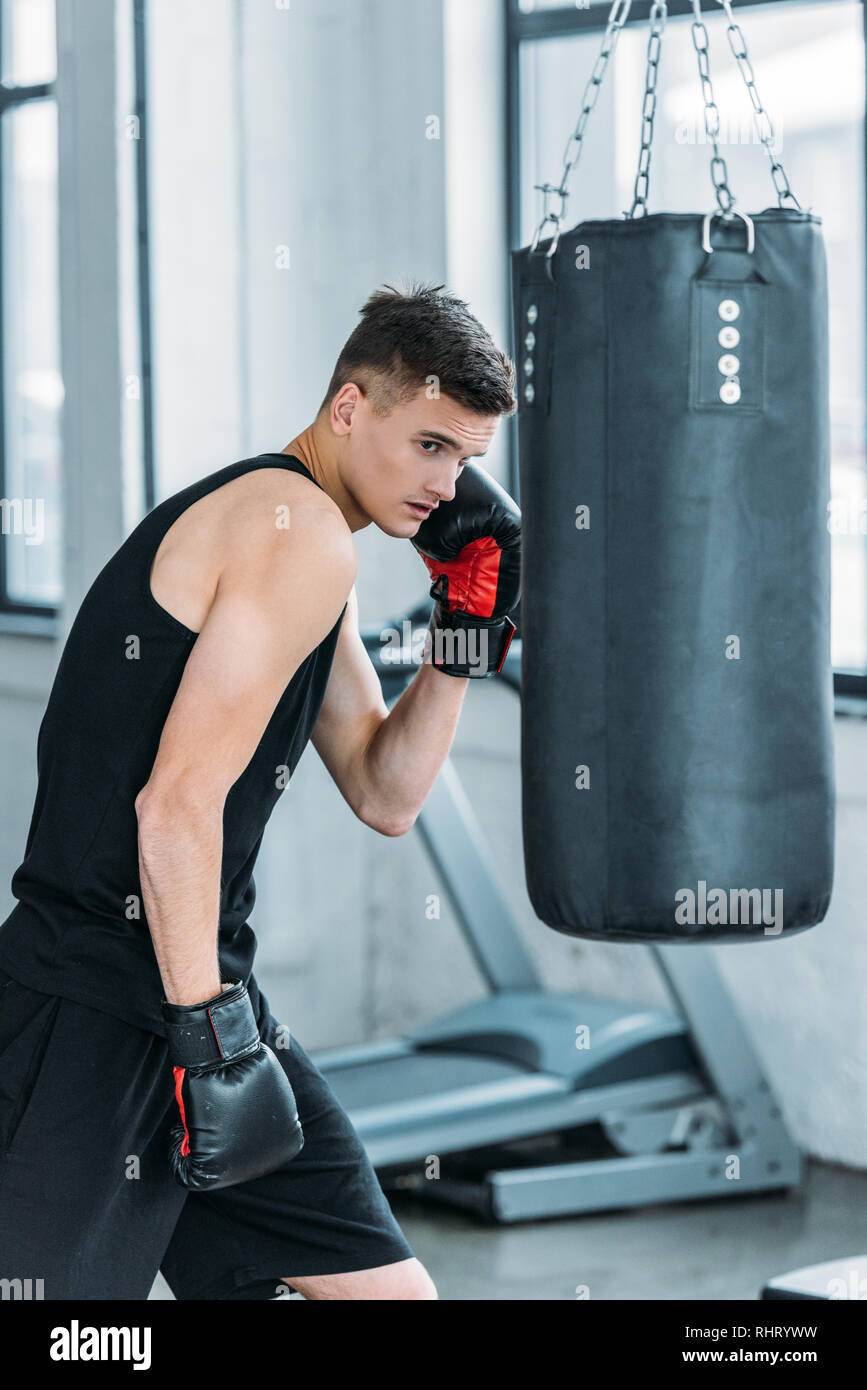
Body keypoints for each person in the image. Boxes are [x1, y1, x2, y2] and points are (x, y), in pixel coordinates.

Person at [0, 280, 520, 1301]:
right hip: (103, 1006)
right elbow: (176, 808)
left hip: (197, 1000)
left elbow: (385, 789)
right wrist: (209, 1048)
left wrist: (464, 636)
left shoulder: (307, 538)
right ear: (348, 409)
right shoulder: (294, 533)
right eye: (429, 444)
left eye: (466, 459)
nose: (448, 484)